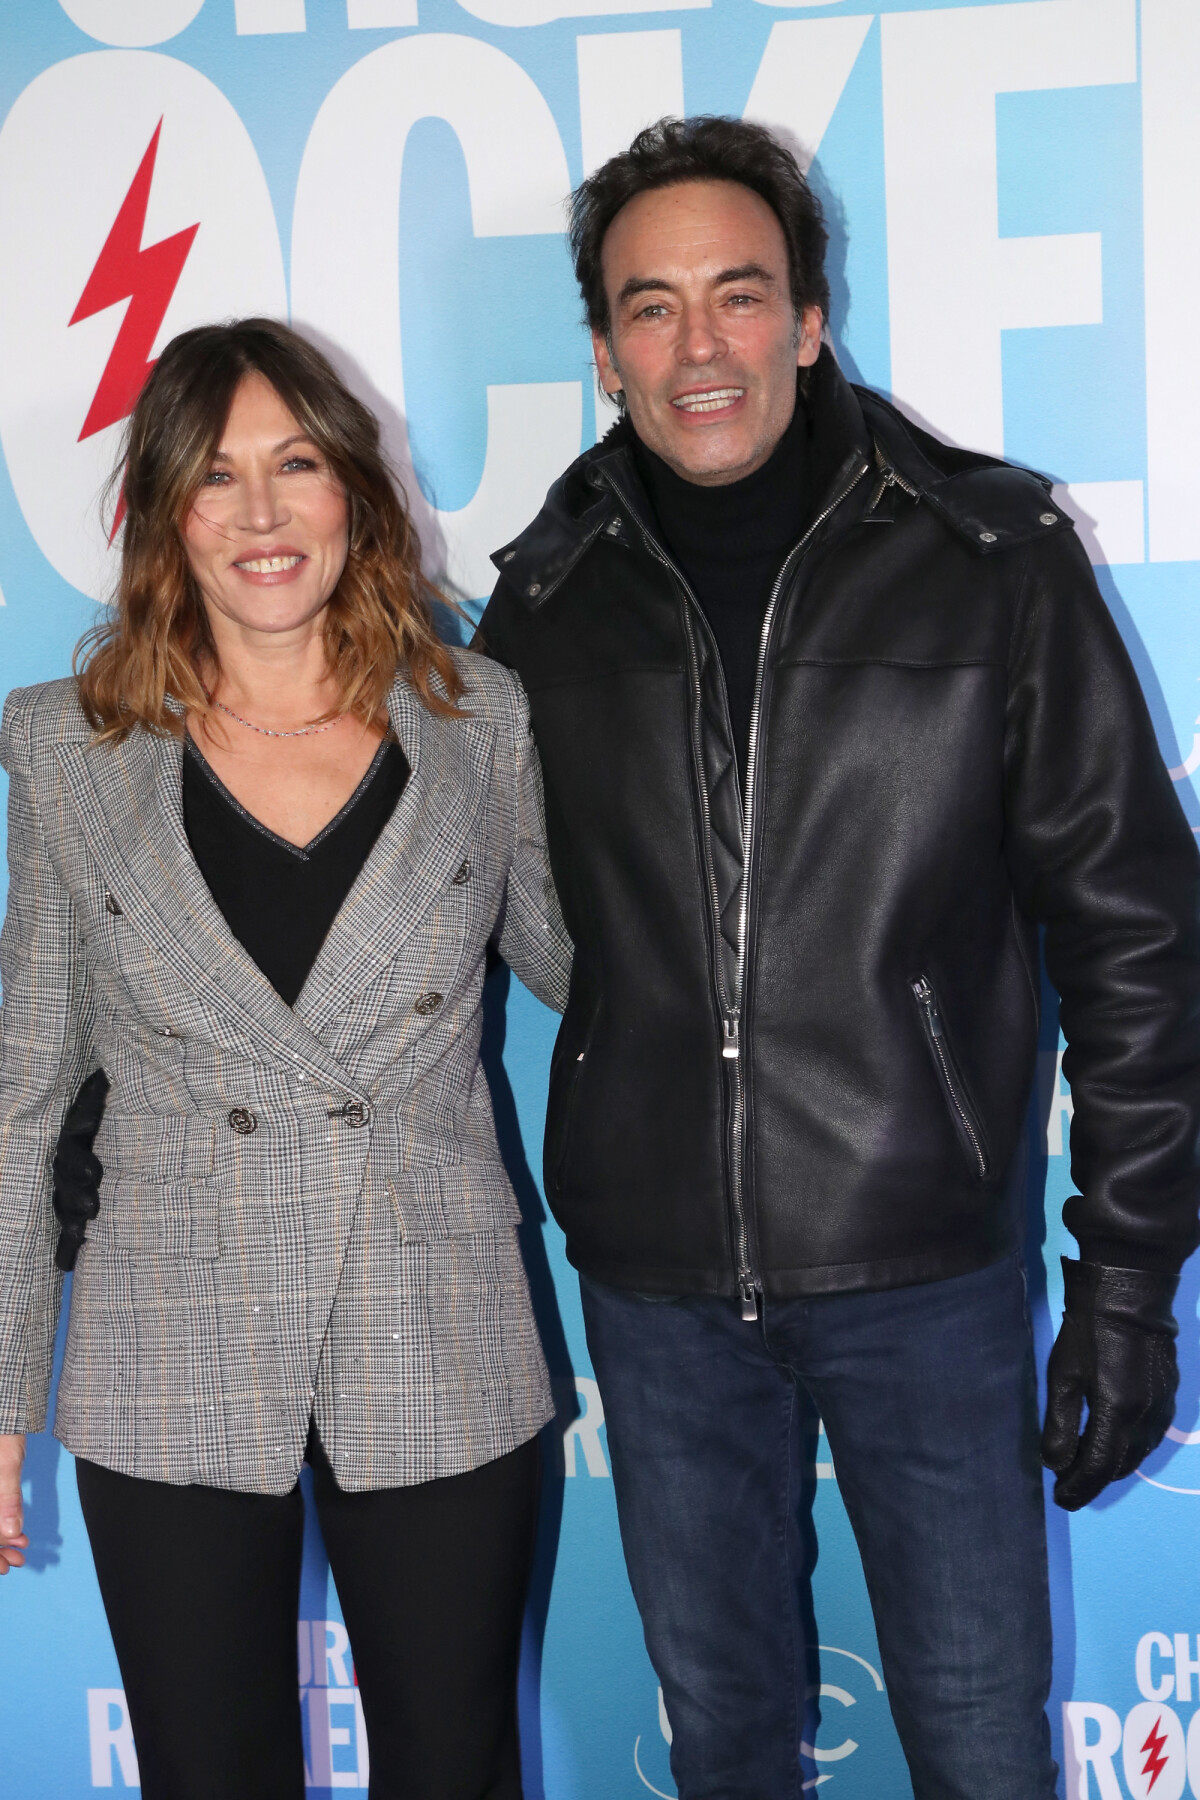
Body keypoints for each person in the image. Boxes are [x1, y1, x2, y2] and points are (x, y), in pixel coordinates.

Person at [477, 117, 1200, 1799]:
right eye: (651, 309)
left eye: (740, 295)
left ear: (810, 315)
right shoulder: (547, 600)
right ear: (603, 349)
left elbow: (1139, 944)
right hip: (656, 1292)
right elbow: (446, 913)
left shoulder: (992, 561)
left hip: (928, 1274)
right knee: (724, 1754)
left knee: (975, 1749)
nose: (699, 344)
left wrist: (1128, 1286)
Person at [0, 318, 570, 1800]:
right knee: (209, 1776)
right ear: (164, 515)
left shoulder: (480, 718)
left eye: (298, 465)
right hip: (168, 1341)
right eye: (216, 477)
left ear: (357, 494)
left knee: (457, 1773)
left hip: (436, 1325)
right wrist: (0, 1403)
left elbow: (591, 972)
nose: (262, 515)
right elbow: (25, 1092)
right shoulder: (66, 747)